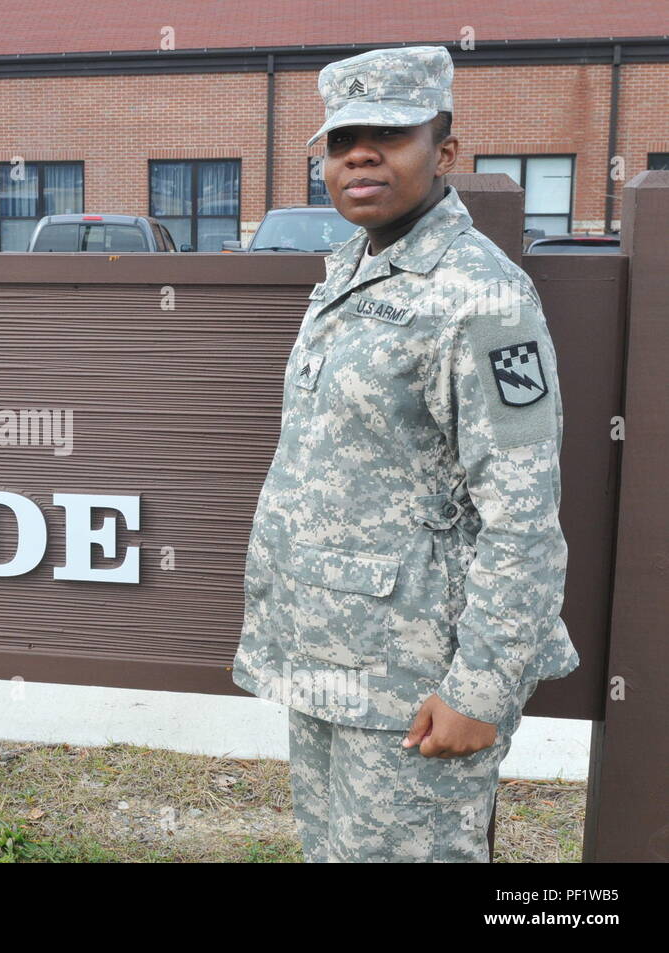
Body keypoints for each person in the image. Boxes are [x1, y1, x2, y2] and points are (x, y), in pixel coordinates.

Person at [230, 45, 580, 862]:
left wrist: (481, 688)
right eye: (342, 136)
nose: (358, 153)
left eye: (388, 134)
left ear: (445, 151)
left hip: (416, 689)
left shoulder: (480, 295)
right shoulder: (355, 268)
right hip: (332, 667)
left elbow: (524, 511)